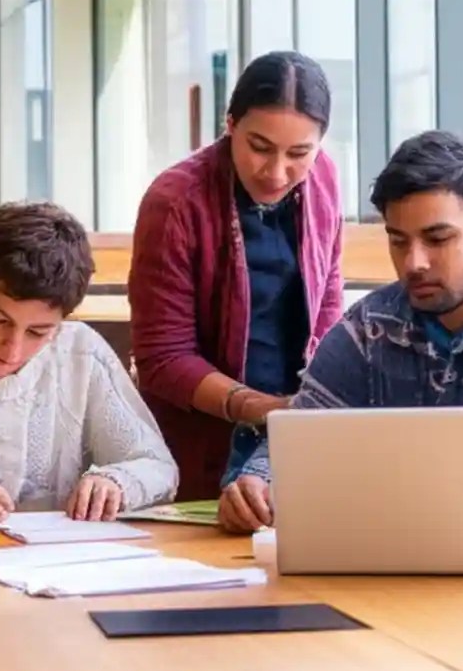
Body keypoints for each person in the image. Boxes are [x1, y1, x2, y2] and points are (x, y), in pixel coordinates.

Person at [218, 130, 463, 533]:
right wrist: (258, 483)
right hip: (396, 562)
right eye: (398, 241)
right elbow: (303, 436)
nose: (413, 263)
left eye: (437, 239)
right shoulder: (370, 328)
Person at [128, 51, 346, 501]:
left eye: (299, 153)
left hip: (297, 431)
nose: (277, 171)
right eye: (260, 147)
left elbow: (328, 299)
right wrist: (256, 407)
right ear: (230, 124)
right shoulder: (175, 201)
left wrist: (316, 396)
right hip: (201, 440)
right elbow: (162, 357)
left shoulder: (324, 178)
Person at [0, 201, 177, 529]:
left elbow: (158, 466)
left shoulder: (81, 354)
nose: (13, 349)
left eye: (38, 332)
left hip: (69, 568)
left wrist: (116, 482)